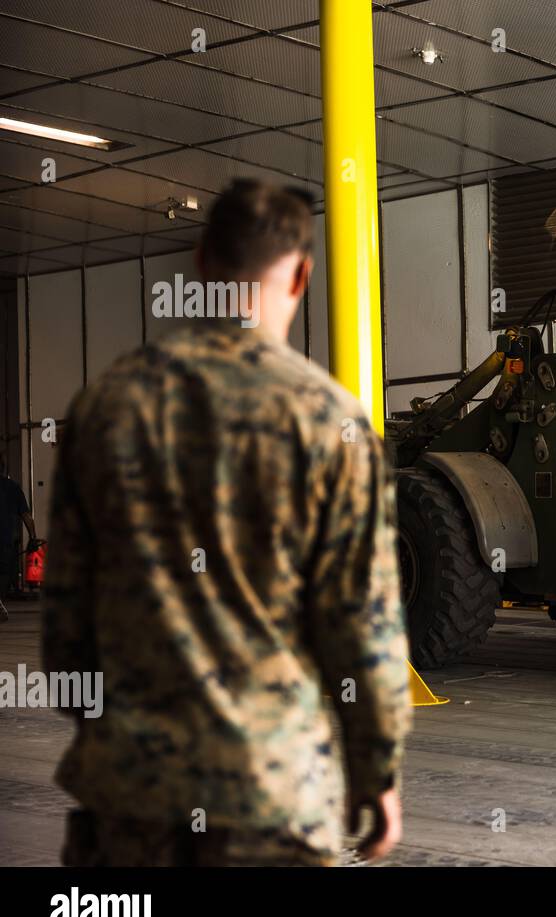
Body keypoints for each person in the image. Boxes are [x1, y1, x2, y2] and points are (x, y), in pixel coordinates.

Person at [41, 180, 412, 866]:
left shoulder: (105, 407)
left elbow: (65, 631)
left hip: (131, 802)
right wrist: (376, 768)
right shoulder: (329, 422)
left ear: (201, 261)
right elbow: (363, 627)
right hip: (275, 796)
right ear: (302, 273)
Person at [0, 455, 37, 621]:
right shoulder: (13, 488)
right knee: (3, 574)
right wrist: (33, 537)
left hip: (5, 541)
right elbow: (27, 516)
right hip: (5, 541)